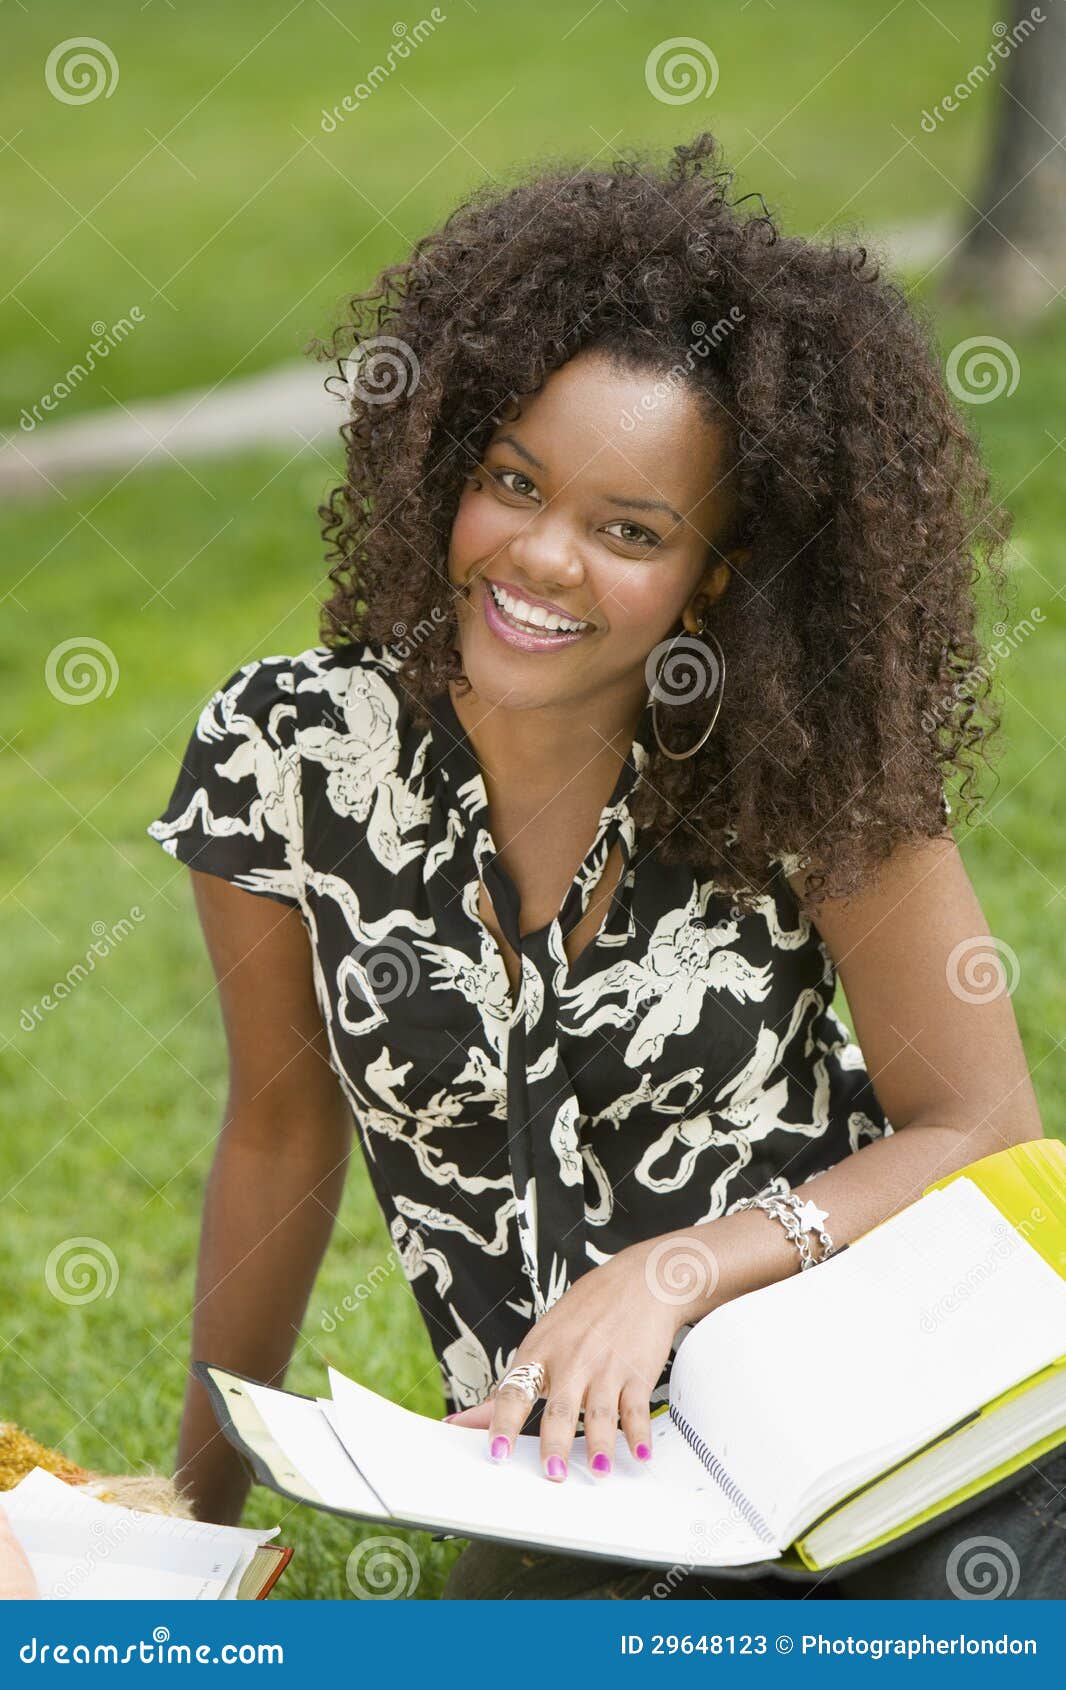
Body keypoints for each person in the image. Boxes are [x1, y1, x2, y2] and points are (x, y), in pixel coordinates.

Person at [145, 131, 1052, 1597]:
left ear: (715, 571)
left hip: (871, 1426)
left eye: (629, 530)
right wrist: (188, 1523)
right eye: (513, 481)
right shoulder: (287, 757)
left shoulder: (800, 750)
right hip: (568, 1486)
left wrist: (674, 1271)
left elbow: (980, 1125)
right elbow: (277, 1138)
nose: (544, 558)